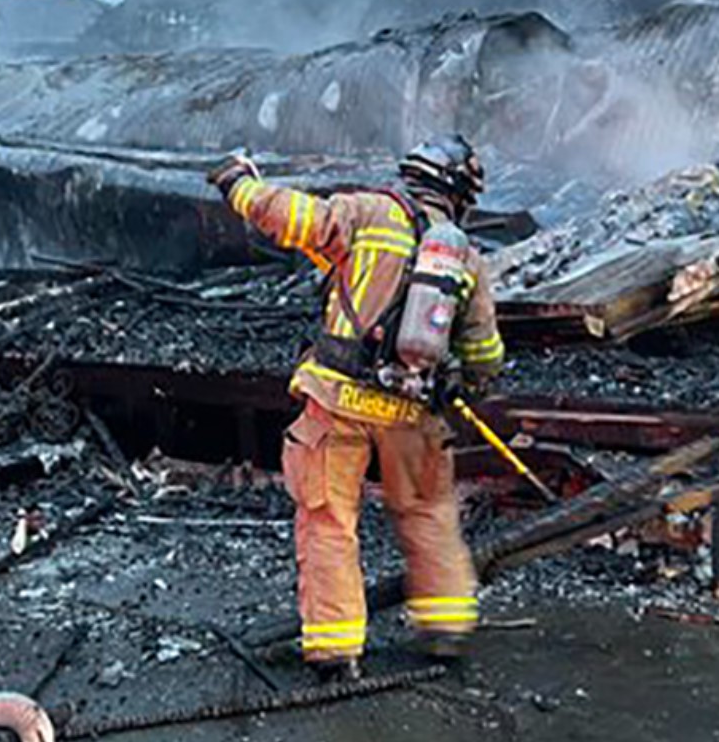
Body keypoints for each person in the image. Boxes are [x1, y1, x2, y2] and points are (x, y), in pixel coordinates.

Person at [207, 134, 505, 682]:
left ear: (412, 176)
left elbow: (293, 218)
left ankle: (336, 651)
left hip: (337, 401)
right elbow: (486, 353)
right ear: (460, 195)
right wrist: (465, 385)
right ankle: (444, 631)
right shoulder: (466, 259)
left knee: (328, 522)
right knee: (429, 516)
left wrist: (237, 184)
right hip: (413, 411)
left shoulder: (370, 212)